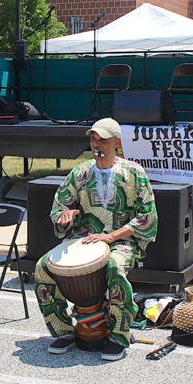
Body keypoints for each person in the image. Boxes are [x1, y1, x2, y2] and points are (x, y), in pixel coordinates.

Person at [34, 118, 158, 362]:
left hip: (122, 240)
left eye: (103, 139)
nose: (96, 144)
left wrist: (111, 236)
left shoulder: (134, 172)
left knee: (115, 266)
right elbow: (60, 207)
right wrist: (65, 218)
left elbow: (148, 216)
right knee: (42, 267)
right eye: (93, 139)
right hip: (85, 239)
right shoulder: (80, 172)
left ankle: (118, 336)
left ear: (117, 143)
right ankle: (64, 330)